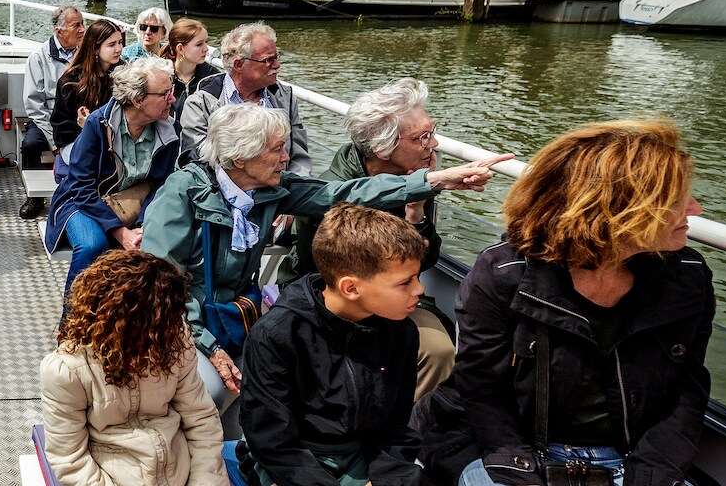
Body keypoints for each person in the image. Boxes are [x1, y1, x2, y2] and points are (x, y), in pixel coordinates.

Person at [142, 104, 509, 430]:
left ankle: (255, 444)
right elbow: (160, 287)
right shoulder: (182, 194)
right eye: (276, 150)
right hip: (180, 320)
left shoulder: (271, 188)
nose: (286, 158)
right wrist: (210, 348)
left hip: (235, 312)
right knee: (209, 387)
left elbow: (344, 194)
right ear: (240, 159)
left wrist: (434, 181)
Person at [415, 118, 714, 486]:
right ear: (617, 209)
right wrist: (518, 469)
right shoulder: (505, 273)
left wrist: (652, 473)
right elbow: (481, 390)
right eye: (676, 199)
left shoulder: (687, 275)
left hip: (632, 456)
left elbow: (688, 390)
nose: (696, 209)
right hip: (508, 449)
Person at [289, 77, 455, 399]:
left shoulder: (414, 178)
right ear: (382, 149)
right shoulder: (330, 196)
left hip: (397, 297)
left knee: (439, 350)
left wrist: (415, 214)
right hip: (338, 305)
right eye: (422, 137)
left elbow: (427, 260)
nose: (432, 145)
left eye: (432, 132)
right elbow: (322, 276)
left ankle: (411, 433)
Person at [238, 204, 428, 486]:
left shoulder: (401, 331)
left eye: (418, 277)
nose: (419, 290)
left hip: (362, 452)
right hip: (292, 458)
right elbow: (271, 439)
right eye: (405, 282)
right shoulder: (276, 334)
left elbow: (396, 426)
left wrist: (386, 479)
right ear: (350, 288)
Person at [41, 250, 227, 486]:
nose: (175, 328)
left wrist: (205, 482)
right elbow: (70, 459)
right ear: (130, 325)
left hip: (180, 469)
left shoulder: (175, 341)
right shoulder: (67, 370)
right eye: (161, 325)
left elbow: (202, 421)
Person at [43, 56, 180, 307]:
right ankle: (73, 324)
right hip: (83, 203)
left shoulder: (169, 129)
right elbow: (80, 187)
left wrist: (140, 228)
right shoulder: (98, 124)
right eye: (165, 93)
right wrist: (121, 233)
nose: (172, 99)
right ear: (138, 100)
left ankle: (129, 327)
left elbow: (161, 186)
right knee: (92, 244)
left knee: (161, 248)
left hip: (135, 208)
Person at [179, 21, 311, 175]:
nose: (277, 65)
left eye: (276, 57)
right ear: (239, 65)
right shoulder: (201, 105)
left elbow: (300, 159)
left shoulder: (284, 98)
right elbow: (199, 164)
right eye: (268, 60)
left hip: (282, 190)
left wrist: (292, 189)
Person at [21, 5, 84, 195]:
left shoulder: (87, 55)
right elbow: (34, 105)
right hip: (47, 119)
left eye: (83, 24)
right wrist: (55, 142)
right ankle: (34, 199)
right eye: (76, 25)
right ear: (59, 31)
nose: (82, 29)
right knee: (31, 145)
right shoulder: (38, 58)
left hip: (77, 119)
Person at [50, 18, 125, 155]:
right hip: (76, 142)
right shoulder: (70, 81)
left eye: (120, 42)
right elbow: (60, 129)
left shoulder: (124, 75)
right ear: (95, 49)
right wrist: (83, 127)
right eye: (111, 44)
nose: (118, 49)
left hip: (114, 141)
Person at [160, 18, 218, 124]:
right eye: (199, 44)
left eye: (206, 42)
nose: (206, 49)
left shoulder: (213, 77)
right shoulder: (160, 76)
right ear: (181, 49)